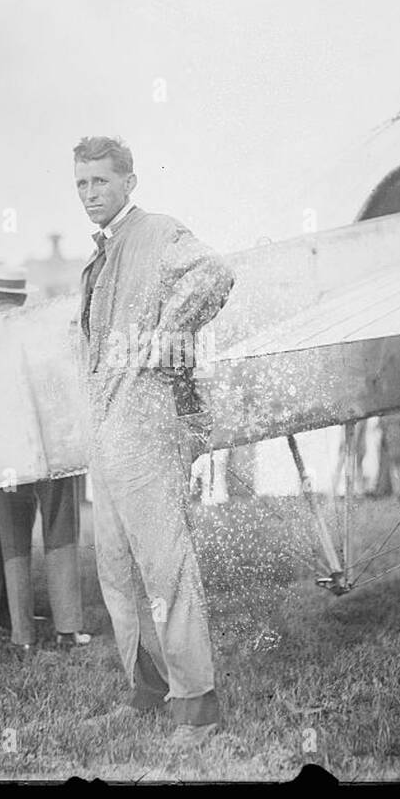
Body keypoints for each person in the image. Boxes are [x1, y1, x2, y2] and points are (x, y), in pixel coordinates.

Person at [74, 136, 235, 745]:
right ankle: (148, 692)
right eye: (82, 185)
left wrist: (166, 336)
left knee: (165, 567)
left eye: (101, 183)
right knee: (117, 570)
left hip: (145, 422)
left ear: (129, 183)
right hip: (106, 430)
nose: (91, 194)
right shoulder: (99, 254)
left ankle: (197, 709)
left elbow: (217, 272)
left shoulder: (159, 232)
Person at [0, 267, 91, 654]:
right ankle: (67, 628)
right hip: (51, 450)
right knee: (61, 533)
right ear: (22, 301)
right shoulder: (43, 332)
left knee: (13, 543)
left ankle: (22, 635)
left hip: (6, 456)